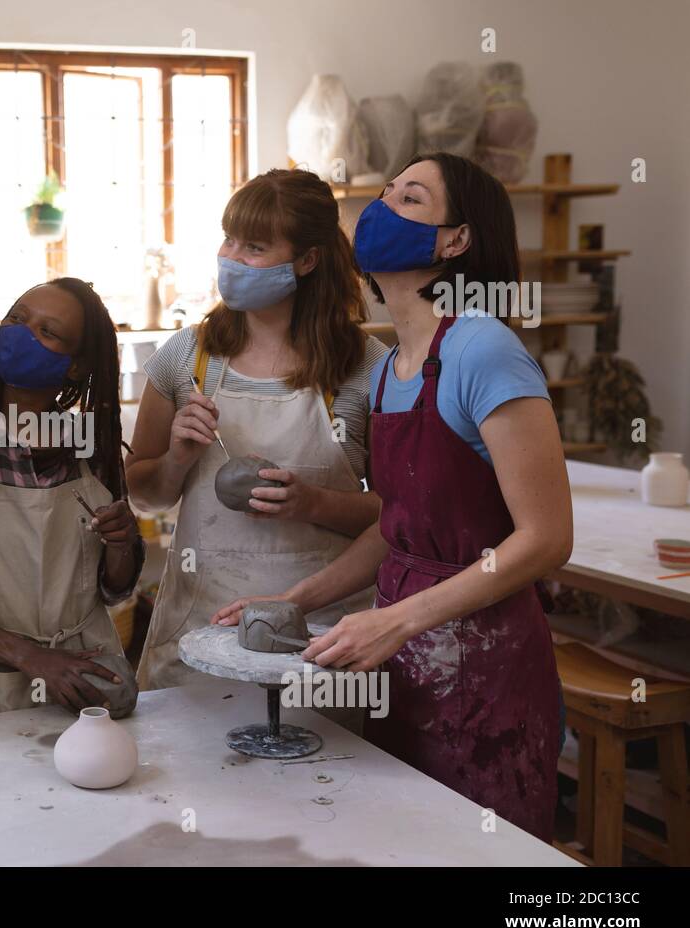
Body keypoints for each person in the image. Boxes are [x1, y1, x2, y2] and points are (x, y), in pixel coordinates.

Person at [215, 153, 569, 842]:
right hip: (404, 656)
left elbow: (546, 539)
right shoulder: (394, 367)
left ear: (455, 241)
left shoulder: (482, 349)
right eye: (382, 194)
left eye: (409, 199)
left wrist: (404, 620)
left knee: (476, 850)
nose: (377, 210)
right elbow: (399, 529)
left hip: (481, 661)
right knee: (405, 844)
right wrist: (300, 600)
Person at [127, 168, 388, 691]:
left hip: (318, 639)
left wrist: (312, 503)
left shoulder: (367, 367)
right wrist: (178, 457)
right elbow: (144, 495)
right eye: (229, 239)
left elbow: (397, 518)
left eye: (254, 247)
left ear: (306, 260)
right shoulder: (186, 358)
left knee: (319, 769)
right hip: (203, 624)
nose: (231, 257)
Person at [0, 278, 144, 719]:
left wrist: (121, 544)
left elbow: (114, 589)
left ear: (75, 366)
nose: (21, 333)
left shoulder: (90, 446)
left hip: (85, 670)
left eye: (47, 332)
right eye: (17, 318)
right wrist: (32, 658)